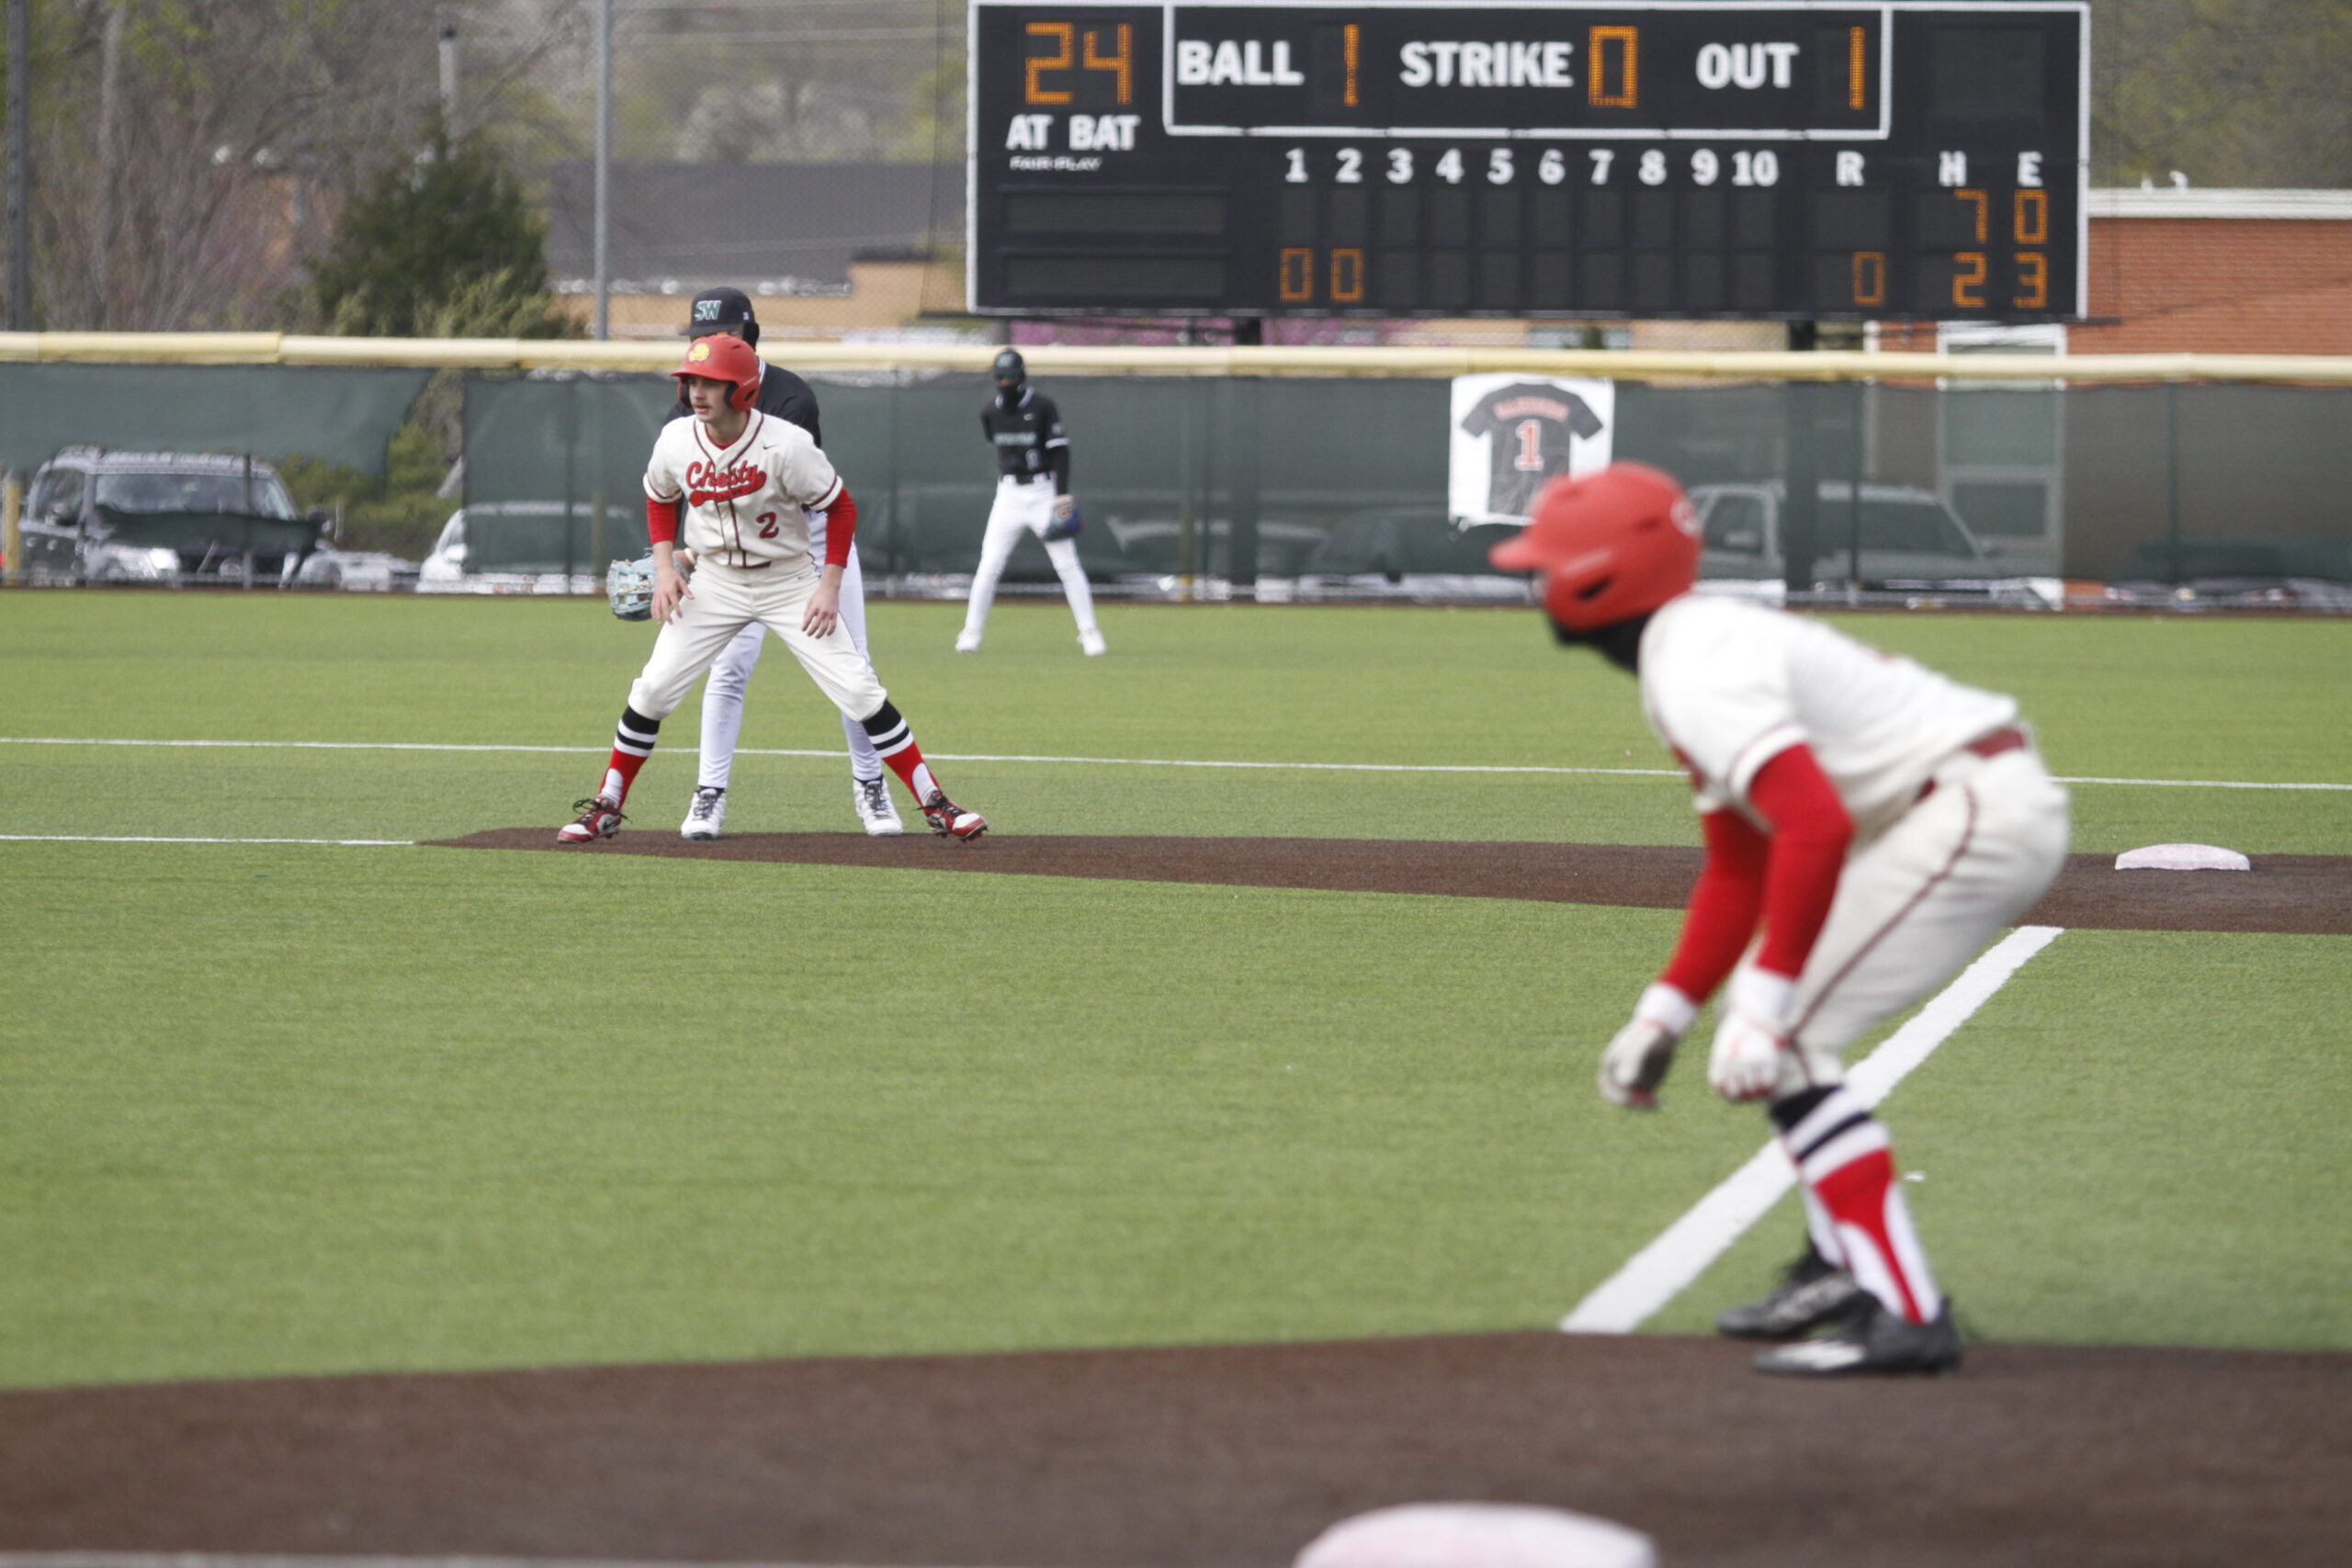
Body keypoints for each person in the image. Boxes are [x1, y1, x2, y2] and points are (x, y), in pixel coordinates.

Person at [1490, 462, 2069, 1376]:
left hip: (1969, 810)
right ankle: (1843, 1270)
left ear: (1598, 580)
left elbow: (1814, 825)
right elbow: (1739, 864)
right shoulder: (1690, 646)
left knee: (1786, 1037)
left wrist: (1762, 999)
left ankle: (1905, 1313)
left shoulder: (1693, 663)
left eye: (1547, 567)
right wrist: (1663, 1014)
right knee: (1784, 1032)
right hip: (1966, 799)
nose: (1537, 585)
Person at [559, 334, 985, 847]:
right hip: (715, 581)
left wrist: (829, 586)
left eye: (711, 382)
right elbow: (658, 495)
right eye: (691, 381)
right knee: (652, 690)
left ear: (741, 390)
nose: (697, 392)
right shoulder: (676, 439)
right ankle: (607, 804)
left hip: (787, 580)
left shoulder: (786, 443)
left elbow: (841, 507)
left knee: (858, 689)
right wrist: (666, 565)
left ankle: (936, 803)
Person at [664, 287, 900, 840]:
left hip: (811, 541)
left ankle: (871, 785)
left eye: (719, 333)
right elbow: (682, 486)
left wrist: (697, 551)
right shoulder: (691, 399)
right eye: (699, 335)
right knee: (727, 668)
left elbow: (780, 500)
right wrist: (675, 556)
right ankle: (708, 794)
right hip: (734, 552)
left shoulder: (791, 397)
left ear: (747, 336)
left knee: (854, 668)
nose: (706, 344)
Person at [957, 348, 1105, 656]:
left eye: (1011, 376)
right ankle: (971, 632)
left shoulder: (1042, 406)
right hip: (1009, 494)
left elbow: (1060, 453)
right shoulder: (989, 412)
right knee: (989, 565)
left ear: (1022, 376)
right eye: (1000, 376)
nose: (1006, 382)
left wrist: (1062, 497)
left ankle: (1089, 632)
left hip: (1043, 492)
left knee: (1067, 564)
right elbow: (997, 446)